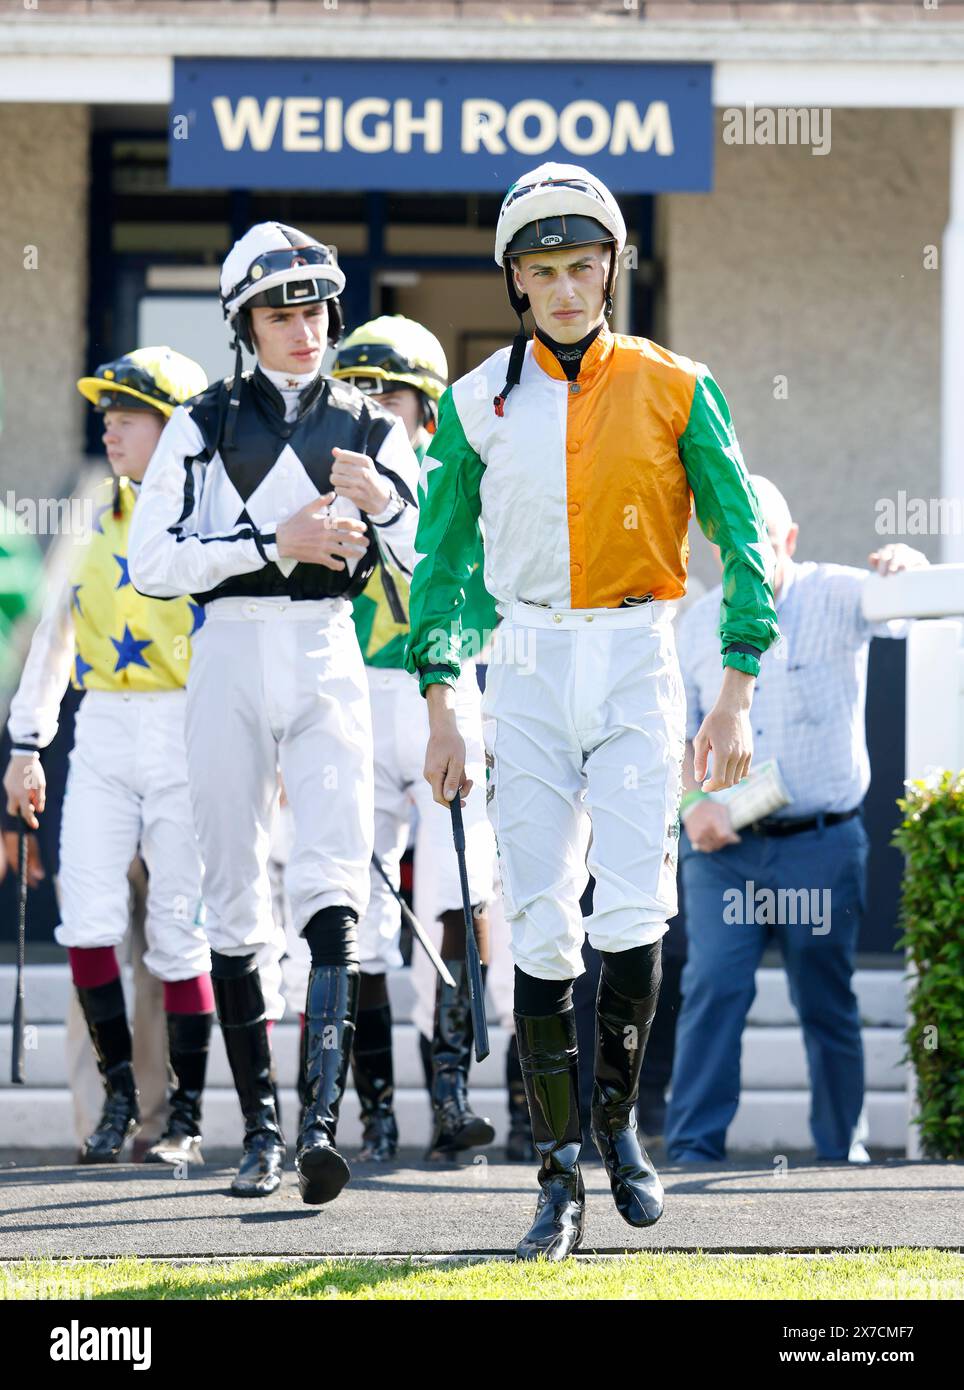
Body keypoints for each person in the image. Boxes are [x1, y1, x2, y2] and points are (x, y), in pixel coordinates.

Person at [405, 162, 779, 1259]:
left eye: (582, 266)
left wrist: (737, 688)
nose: (565, 288)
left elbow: (742, 540)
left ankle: (618, 1134)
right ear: (515, 281)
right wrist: (442, 702)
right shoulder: (470, 402)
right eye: (542, 270)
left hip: (634, 656)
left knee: (631, 910)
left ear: (613, 268)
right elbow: (438, 567)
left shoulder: (678, 383)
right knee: (541, 922)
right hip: (517, 667)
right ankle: (556, 1173)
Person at [128, 223, 421, 1203]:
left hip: (328, 650)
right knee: (233, 878)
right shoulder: (200, 421)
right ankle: (256, 1129)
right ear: (243, 324)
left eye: (315, 313)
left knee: (334, 878)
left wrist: (382, 505)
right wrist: (270, 540)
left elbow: (431, 569)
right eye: (280, 315)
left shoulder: (372, 425)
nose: (304, 331)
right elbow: (153, 565)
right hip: (228, 649)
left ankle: (318, 1127)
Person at [666, 476, 926, 1166]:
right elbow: (679, 736)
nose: (742, 554)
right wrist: (695, 809)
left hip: (821, 842)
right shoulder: (695, 623)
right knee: (714, 988)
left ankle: (843, 1154)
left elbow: (914, 612)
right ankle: (692, 1151)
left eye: (758, 540)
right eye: (729, 542)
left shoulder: (839, 593)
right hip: (726, 852)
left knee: (825, 996)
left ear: (789, 540)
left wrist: (909, 568)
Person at [3, 347, 216, 1166]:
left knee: (177, 935)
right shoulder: (91, 508)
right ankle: (121, 1093)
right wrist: (27, 745)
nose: (109, 426)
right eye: (107, 413)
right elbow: (53, 636)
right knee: (87, 920)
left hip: (189, 731)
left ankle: (186, 1118)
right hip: (99, 731)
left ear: (176, 428)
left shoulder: (216, 513)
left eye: (128, 415)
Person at [331, 315, 499, 1162]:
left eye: (388, 393)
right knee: (354, 909)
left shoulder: (453, 482)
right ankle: (376, 1114)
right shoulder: (328, 481)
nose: (371, 408)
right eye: (356, 391)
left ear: (427, 409)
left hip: (441, 696)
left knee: (451, 901)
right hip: (354, 698)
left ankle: (452, 1101)